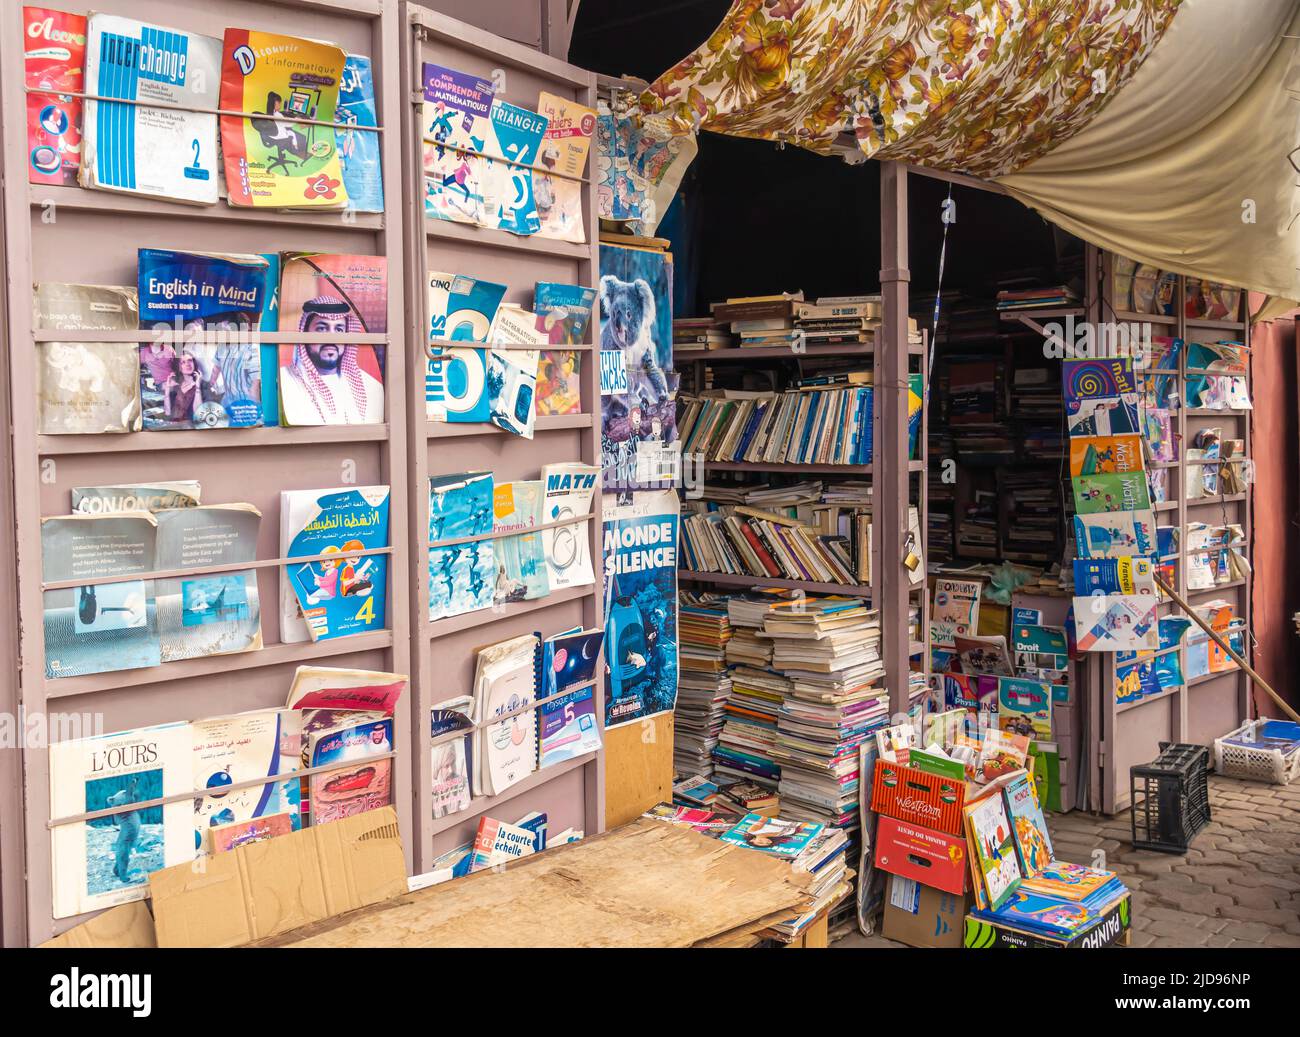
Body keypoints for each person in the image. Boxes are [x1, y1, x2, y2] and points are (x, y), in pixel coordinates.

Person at [280, 295, 384, 424]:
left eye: (339, 329)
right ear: (304, 333)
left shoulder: (370, 386)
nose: (331, 338)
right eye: (322, 329)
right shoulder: (283, 382)